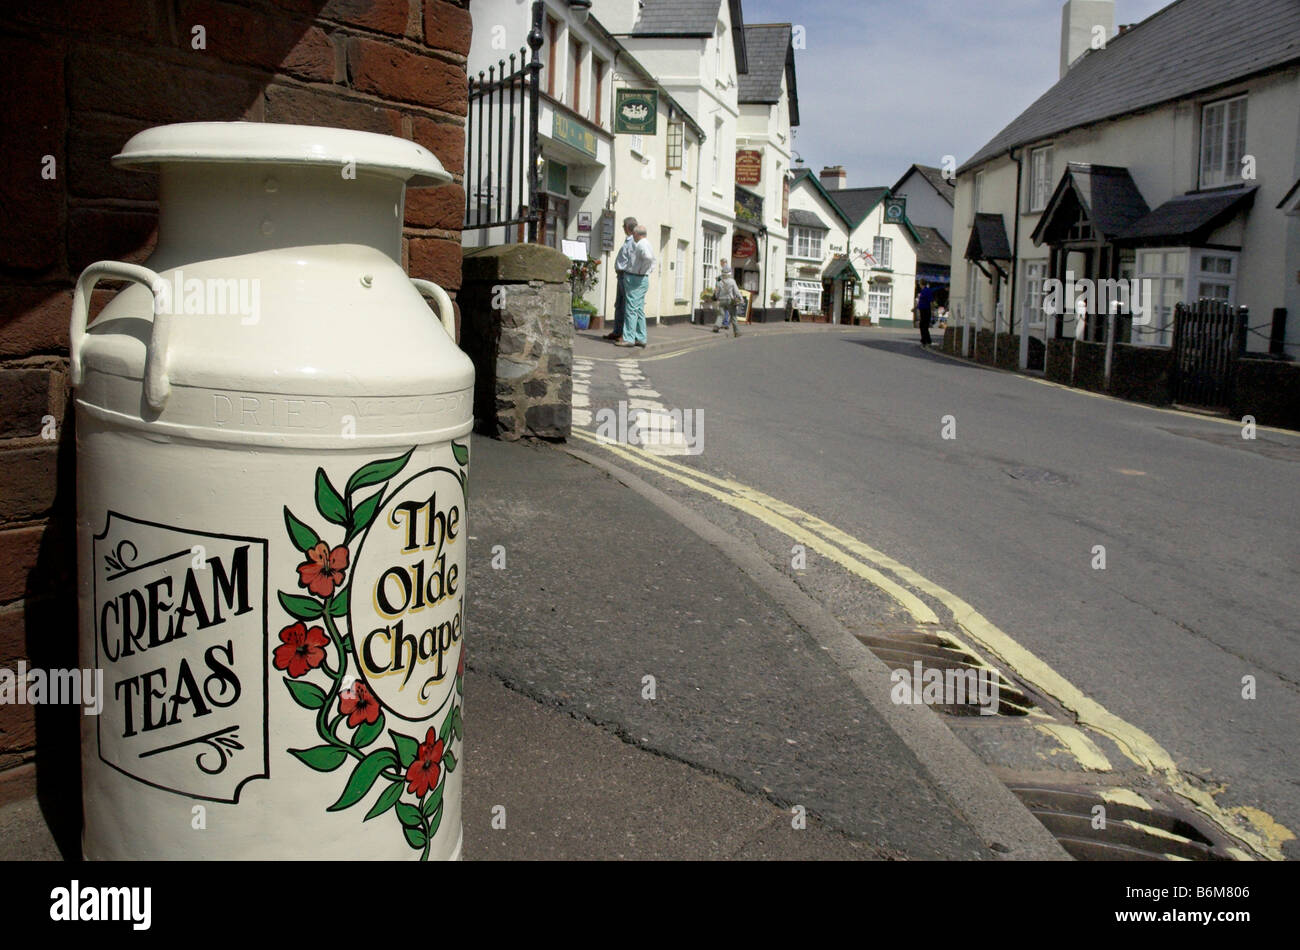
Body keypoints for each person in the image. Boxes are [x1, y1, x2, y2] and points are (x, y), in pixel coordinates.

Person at [616, 225, 655, 348]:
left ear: (637, 234)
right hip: (641, 278)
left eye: (634, 234)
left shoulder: (641, 244)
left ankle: (629, 338)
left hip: (635, 278)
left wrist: (640, 270)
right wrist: (645, 270)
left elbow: (648, 258)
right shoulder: (647, 243)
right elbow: (653, 261)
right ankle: (641, 337)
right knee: (638, 309)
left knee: (631, 309)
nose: (633, 236)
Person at [604, 217, 638, 340]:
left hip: (626, 276)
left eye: (623, 226)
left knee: (627, 306)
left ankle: (626, 334)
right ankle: (617, 331)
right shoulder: (628, 241)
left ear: (628, 227)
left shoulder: (633, 242)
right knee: (619, 305)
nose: (623, 228)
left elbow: (633, 261)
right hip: (621, 276)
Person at [712, 266, 742, 337]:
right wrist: (740, 298)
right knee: (733, 316)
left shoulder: (719, 282)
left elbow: (717, 292)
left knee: (720, 314)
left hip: (721, 300)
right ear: (729, 273)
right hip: (730, 300)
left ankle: (716, 326)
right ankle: (737, 332)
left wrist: (716, 297)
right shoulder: (732, 281)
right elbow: (736, 291)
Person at [916, 280, 935, 347]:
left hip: (926, 310)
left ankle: (926, 340)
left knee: (924, 325)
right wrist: (915, 308)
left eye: (919, 283)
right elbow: (920, 301)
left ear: (922, 284)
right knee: (922, 325)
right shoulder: (923, 291)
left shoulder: (927, 290)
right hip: (922, 310)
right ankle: (926, 340)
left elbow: (931, 301)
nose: (919, 285)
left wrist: (932, 311)